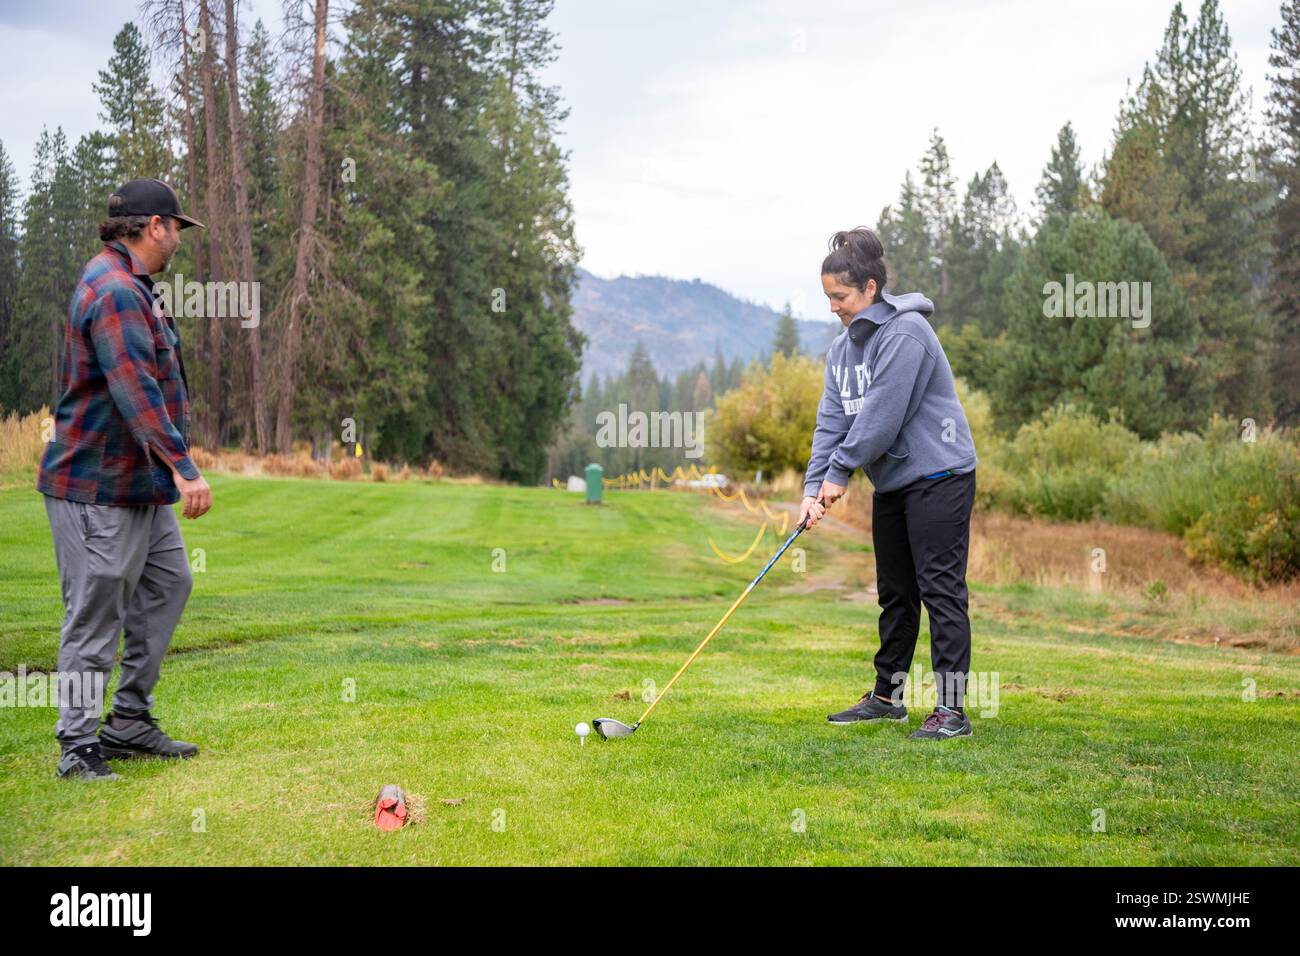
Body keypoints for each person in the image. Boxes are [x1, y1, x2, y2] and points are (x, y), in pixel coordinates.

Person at [37, 178, 212, 780]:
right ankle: (77, 743)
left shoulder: (135, 286)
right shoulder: (114, 290)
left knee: (169, 583)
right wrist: (184, 468)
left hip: (137, 484)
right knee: (96, 606)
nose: (178, 241)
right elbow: (135, 390)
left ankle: (130, 720)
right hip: (95, 485)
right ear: (154, 226)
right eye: (176, 229)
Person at [798, 227, 979, 740]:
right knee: (896, 593)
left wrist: (841, 472)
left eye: (841, 296)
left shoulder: (906, 334)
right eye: (828, 297)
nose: (833, 306)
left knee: (940, 588)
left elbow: (881, 418)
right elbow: (831, 423)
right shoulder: (840, 353)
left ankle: (951, 712)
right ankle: (887, 698)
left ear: (871, 288)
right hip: (895, 483)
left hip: (940, 475)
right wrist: (814, 488)